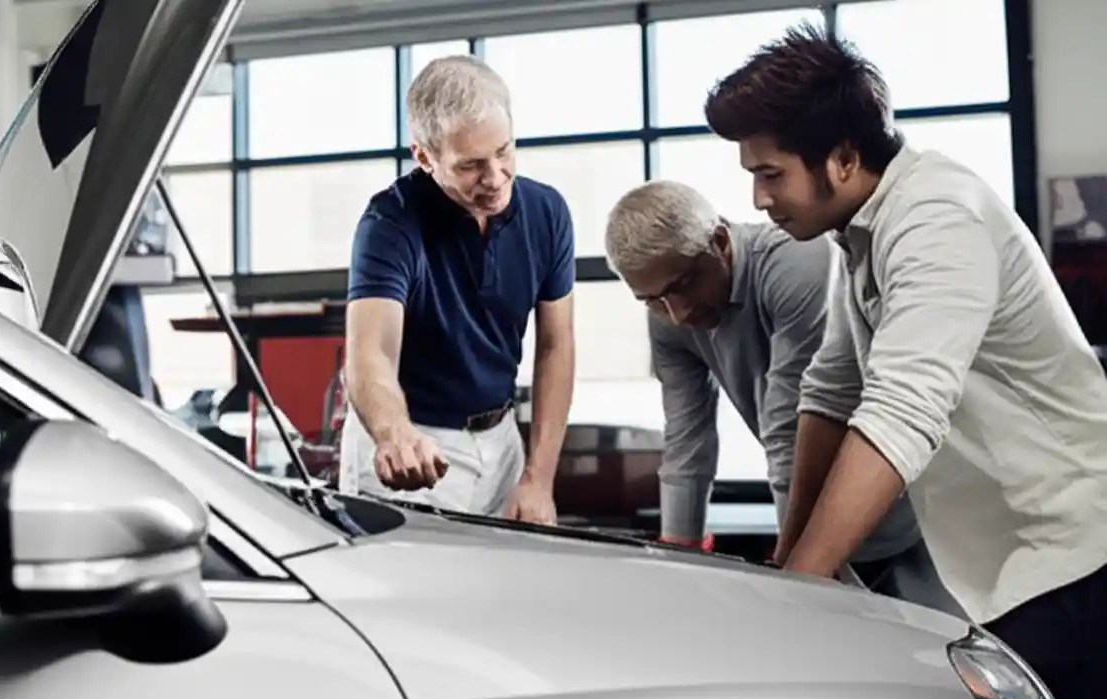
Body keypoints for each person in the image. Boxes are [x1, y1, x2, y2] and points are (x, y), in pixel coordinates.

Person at [704, 23, 1107, 699]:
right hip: (1009, 560)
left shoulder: (935, 218)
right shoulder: (863, 230)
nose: (758, 201)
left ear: (842, 157)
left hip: (1073, 549)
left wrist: (801, 583)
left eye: (771, 175)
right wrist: (794, 562)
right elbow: (830, 391)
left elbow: (900, 412)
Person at [603, 179, 961, 617]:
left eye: (683, 285)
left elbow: (790, 426)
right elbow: (686, 443)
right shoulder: (668, 321)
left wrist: (795, 568)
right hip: (815, 516)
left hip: (915, 509)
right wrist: (681, 561)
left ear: (718, 242)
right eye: (653, 300)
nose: (677, 313)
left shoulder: (795, 259)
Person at [339, 55, 576, 524]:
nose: (494, 178)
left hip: (501, 440)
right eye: (470, 166)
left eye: (504, 152)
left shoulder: (548, 212)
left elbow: (556, 346)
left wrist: (539, 477)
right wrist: (394, 434)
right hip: (415, 442)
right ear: (424, 157)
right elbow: (370, 355)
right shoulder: (389, 224)